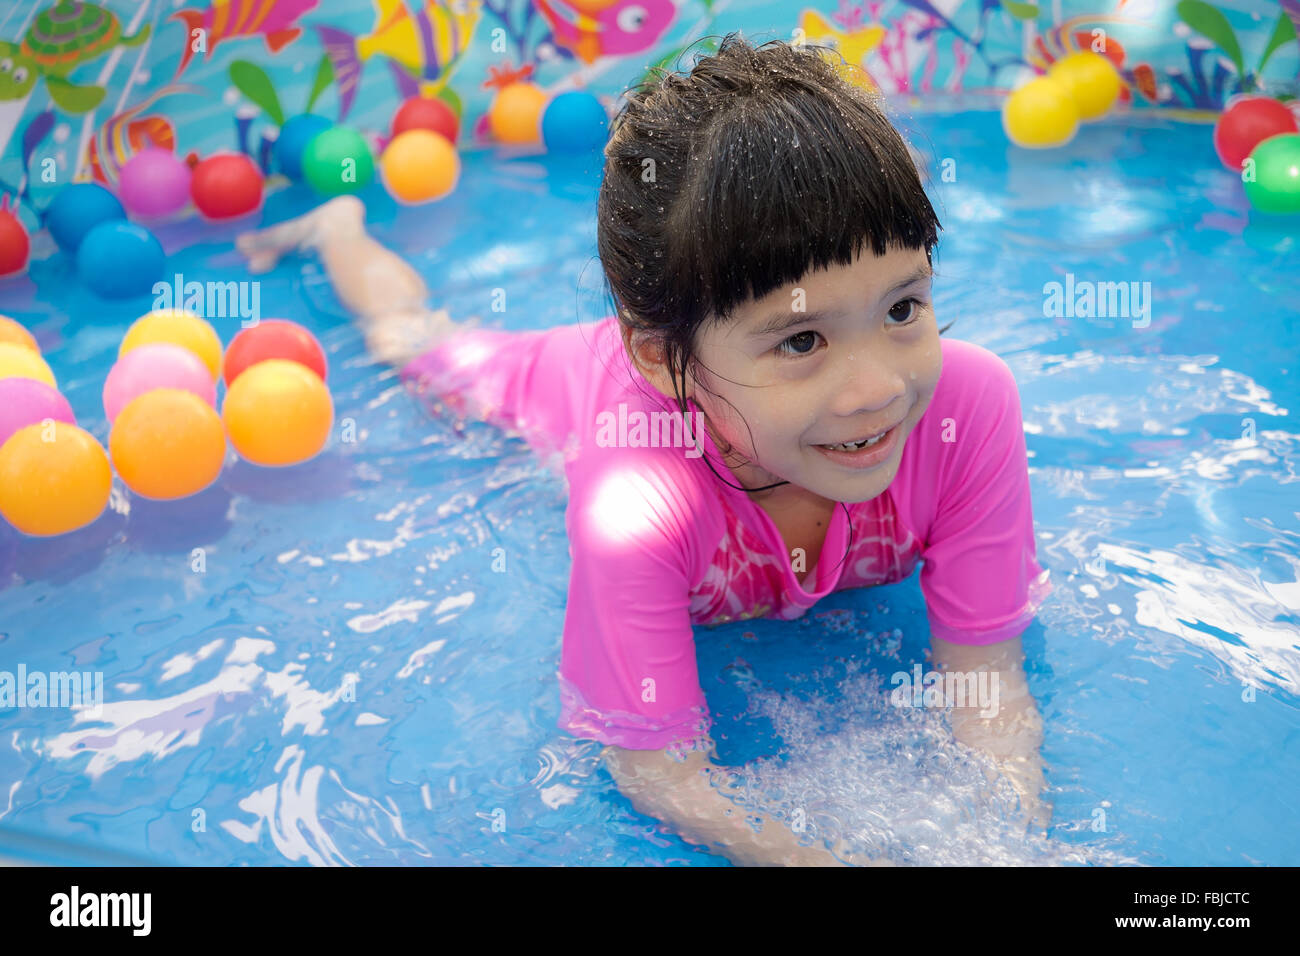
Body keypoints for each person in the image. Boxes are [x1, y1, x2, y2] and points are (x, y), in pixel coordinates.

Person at [236, 32, 1053, 867]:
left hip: (697, 348)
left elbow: (987, 685)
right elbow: (663, 773)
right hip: (580, 391)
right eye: (802, 341)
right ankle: (339, 227)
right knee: (414, 341)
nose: (878, 387)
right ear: (662, 357)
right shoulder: (636, 508)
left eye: (903, 308)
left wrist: (1013, 838)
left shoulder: (966, 410)